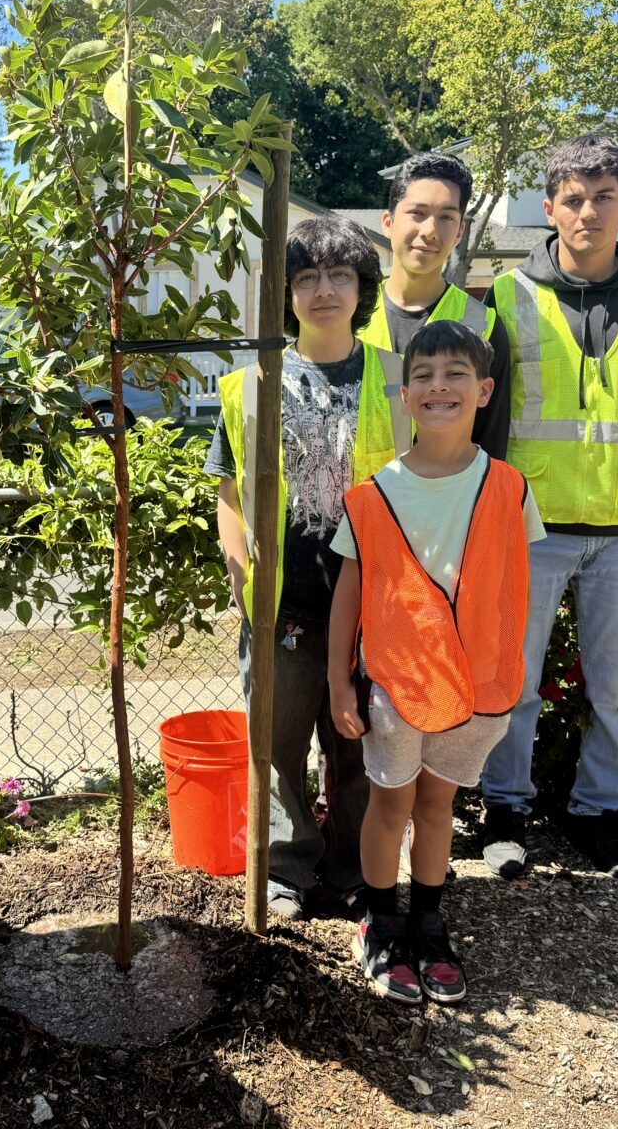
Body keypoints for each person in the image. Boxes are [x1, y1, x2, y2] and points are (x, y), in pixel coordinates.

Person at [480, 134, 618, 880]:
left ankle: (597, 812)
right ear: (550, 208)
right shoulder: (506, 295)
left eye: (605, 197)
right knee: (514, 683)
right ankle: (505, 810)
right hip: (532, 522)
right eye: (573, 199)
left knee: (612, 689)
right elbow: (491, 413)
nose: (589, 213)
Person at [328, 320, 544, 1004]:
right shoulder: (375, 493)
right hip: (396, 683)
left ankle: (428, 920)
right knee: (389, 803)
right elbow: (350, 593)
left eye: (455, 374)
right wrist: (338, 681)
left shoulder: (509, 487)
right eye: (422, 374)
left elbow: (512, 587)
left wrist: (509, 668)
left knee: (437, 804)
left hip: (476, 686)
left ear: (484, 391)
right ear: (405, 394)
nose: (438, 386)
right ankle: (379, 921)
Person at [207, 214, 394, 920]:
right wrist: (238, 571)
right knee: (277, 747)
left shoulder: (396, 378)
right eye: (307, 277)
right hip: (283, 605)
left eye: (340, 275)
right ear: (285, 294)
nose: (324, 291)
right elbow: (229, 491)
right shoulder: (249, 384)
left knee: (358, 750)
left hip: (374, 607)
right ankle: (284, 869)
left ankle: (355, 870)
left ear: (361, 287)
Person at [359, 151, 511, 459]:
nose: (429, 231)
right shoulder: (348, 313)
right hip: (352, 490)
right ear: (388, 223)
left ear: (459, 232)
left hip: (447, 492)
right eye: (417, 213)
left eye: (446, 218)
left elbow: (490, 449)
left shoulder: (484, 326)